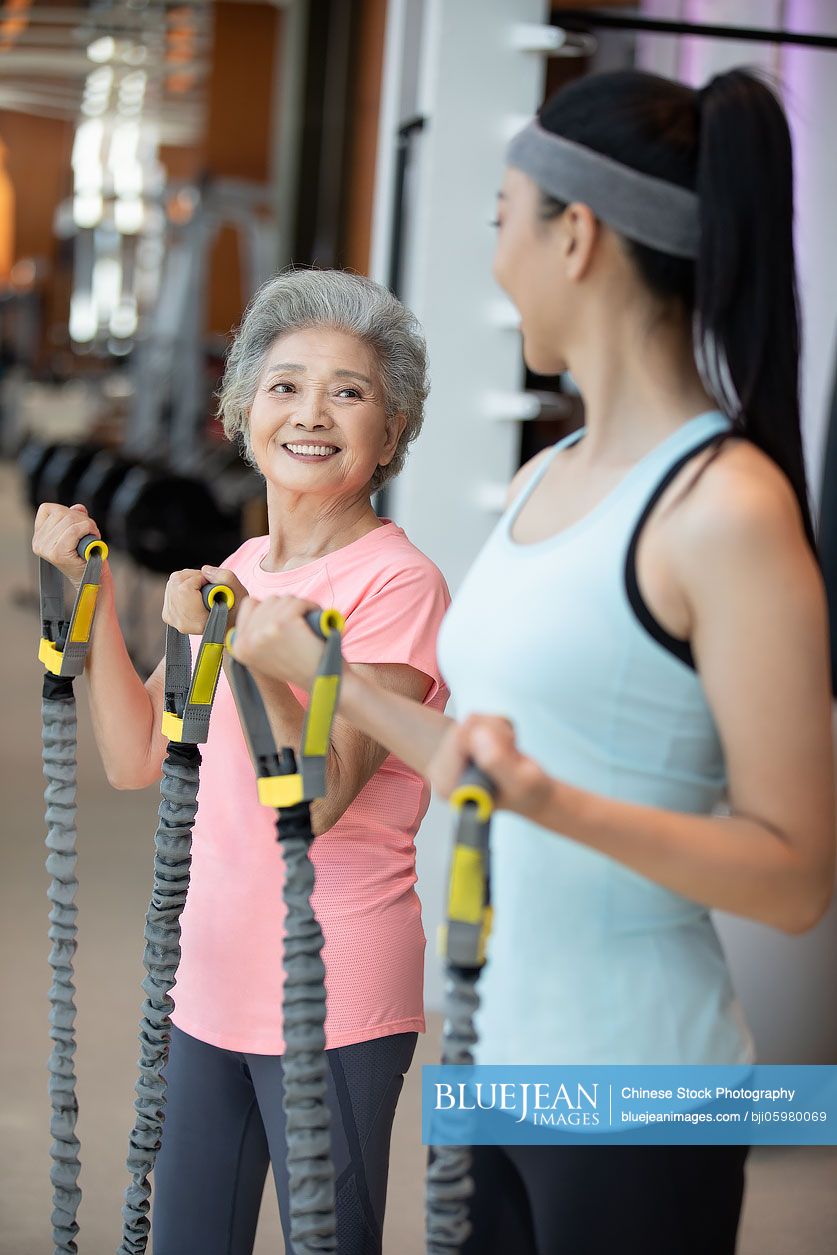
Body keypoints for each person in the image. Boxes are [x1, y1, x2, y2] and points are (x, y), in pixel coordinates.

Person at [226, 70, 835, 1255]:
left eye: (503, 214)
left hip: (639, 1079)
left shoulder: (727, 508)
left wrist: (552, 802)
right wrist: (323, 672)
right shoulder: (539, 483)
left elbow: (797, 876)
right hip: (486, 1045)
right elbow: (483, 760)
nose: (493, 255)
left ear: (576, 236)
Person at [31, 269, 450, 1255]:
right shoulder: (237, 571)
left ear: (390, 434)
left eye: (349, 392)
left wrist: (260, 654)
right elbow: (140, 756)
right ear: (240, 413)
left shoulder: (397, 584)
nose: (312, 412)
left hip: (332, 982)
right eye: (285, 385)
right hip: (208, 967)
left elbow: (315, 797)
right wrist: (88, 599)